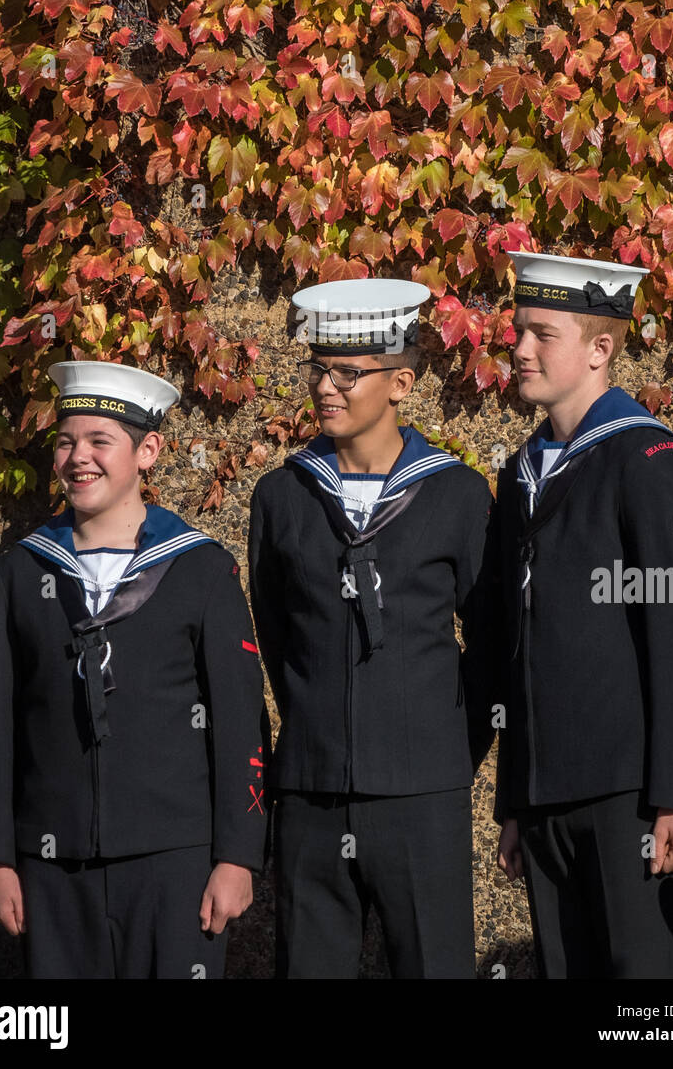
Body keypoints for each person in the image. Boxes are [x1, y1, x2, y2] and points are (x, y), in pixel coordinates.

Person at [0, 360, 269, 979]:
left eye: (100, 441)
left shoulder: (201, 569)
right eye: (65, 441)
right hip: (52, 866)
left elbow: (242, 724)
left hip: (176, 866)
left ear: (148, 450)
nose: (79, 457)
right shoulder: (22, 572)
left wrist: (238, 857)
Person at [248, 278, 497, 979]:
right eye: (318, 369)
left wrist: (443, 751)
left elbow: (487, 646)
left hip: (423, 796)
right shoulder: (282, 496)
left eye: (347, 373)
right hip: (312, 794)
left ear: (401, 383)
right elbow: (278, 636)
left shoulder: (457, 494)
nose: (326, 387)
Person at [494, 251, 673, 979]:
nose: (520, 350)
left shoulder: (643, 459)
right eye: (518, 331)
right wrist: (513, 798)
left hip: (628, 797)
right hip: (546, 792)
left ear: (600, 349)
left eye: (542, 334)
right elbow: (515, 647)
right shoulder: (522, 473)